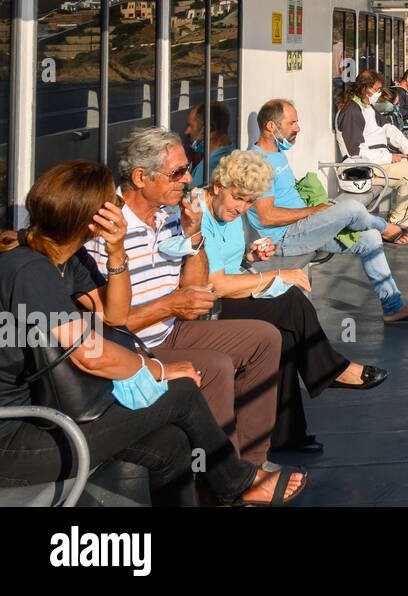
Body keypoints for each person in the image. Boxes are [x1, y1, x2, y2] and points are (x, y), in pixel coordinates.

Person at [0, 160, 305, 506]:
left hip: (44, 415)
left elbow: (114, 315)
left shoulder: (65, 258)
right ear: (91, 218)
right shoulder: (29, 269)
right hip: (14, 436)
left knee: (171, 444)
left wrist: (117, 251)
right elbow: (89, 354)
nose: (118, 209)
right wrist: (158, 370)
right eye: (111, 204)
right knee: (181, 393)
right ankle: (234, 482)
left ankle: (230, 481)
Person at [85, 127, 283, 466]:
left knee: (264, 338)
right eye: (178, 171)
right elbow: (106, 323)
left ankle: (251, 463)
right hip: (130, 345)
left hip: (169, 328)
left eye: (188, 167)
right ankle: (222, 479)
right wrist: (169, 305)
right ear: (141, 177)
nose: (189, 177)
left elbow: (194, 289)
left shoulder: (171, 216)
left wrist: (193, 237)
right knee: (216, 365)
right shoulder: (107, 226)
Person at [198, 150, 388, 454]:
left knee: (283, 336)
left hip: (230, 292)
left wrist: (250, 256)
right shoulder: (199, 215)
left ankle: (286, 434)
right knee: (289, 301)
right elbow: (215, 283)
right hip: (206, 306)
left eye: (249, 202)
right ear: (218, 185)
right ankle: (330, 369)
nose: (242, 207)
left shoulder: (228, 212)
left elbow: (228, 263)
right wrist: (276, 275)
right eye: (238, 198)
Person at [245, 98, 408, 325]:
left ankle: (393, 307)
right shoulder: (256, 161)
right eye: (292, 123)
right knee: (352, 207)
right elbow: (267, 216)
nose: (298, 128)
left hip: (306, 227)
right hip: (285, 238)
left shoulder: (276, 153)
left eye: (298, 122)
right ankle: (388, 229)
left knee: (369, 238)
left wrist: (316, 210)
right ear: (271, 127)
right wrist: (315, 211)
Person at [337, 71, 408, 229]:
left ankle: (397, 218)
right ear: (365, 88)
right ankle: (398, 223)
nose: (379, 93)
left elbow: (388, 128)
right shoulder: (352, 111)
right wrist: (388, 158)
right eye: (377, 89)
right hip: (363, 169)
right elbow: (356, 153)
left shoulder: (366, 107)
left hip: (377, 162)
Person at [184, 101, 234, 187]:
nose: (186, 132)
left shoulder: (210, 167)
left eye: (191, 126)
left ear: (209, 129)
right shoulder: (233, 153)